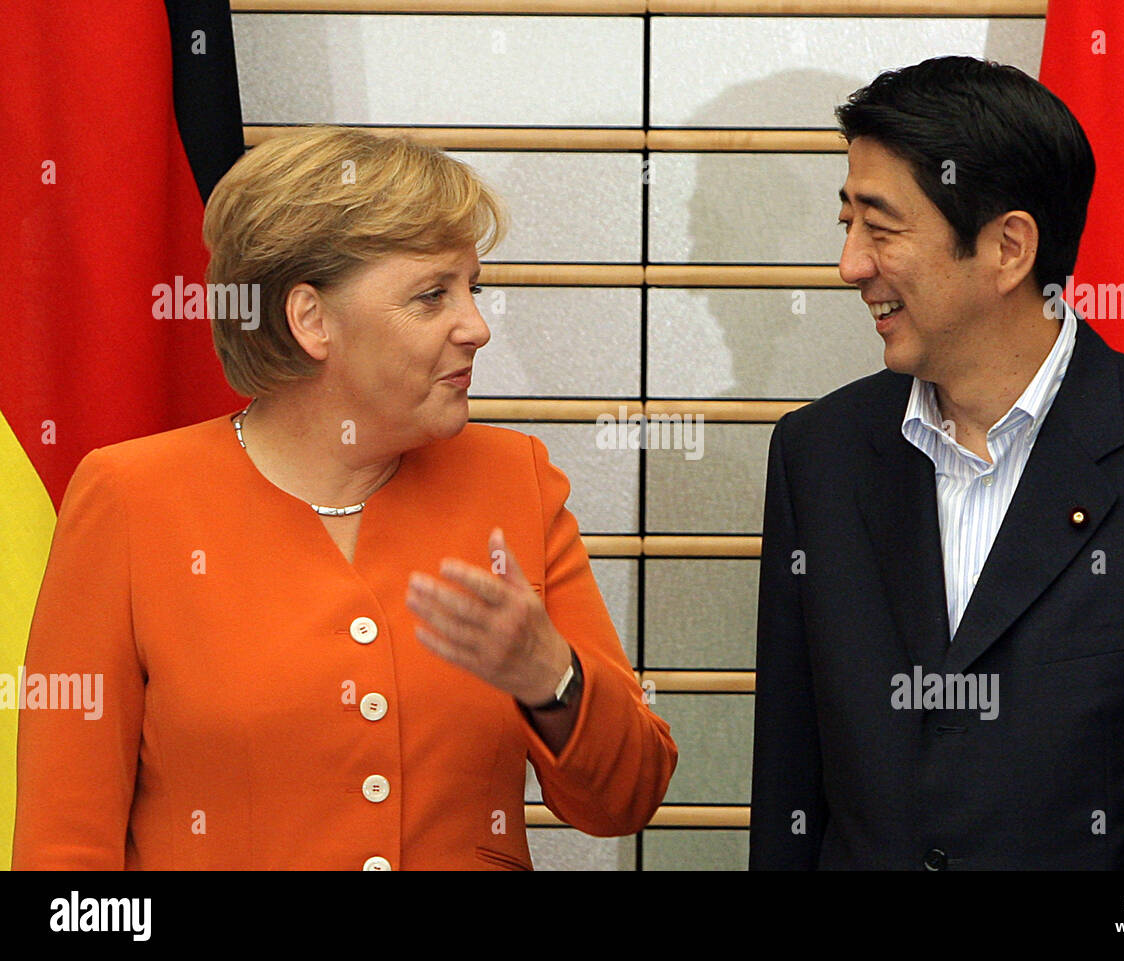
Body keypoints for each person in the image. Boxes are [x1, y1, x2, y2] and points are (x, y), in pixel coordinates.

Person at [12, 125, 676, 870]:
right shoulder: (131, 498)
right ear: (310, 319)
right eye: (433, 296)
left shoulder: (513, 479)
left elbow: (627, 797)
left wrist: (550, 677)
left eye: (473, 289)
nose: (478, 327)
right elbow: (63, 851)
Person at [749, 56, 1124, 869]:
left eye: (882, 225)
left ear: (1009, 248)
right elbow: (790, 796)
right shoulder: (816, 456)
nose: (851, 265)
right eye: (847, 224)